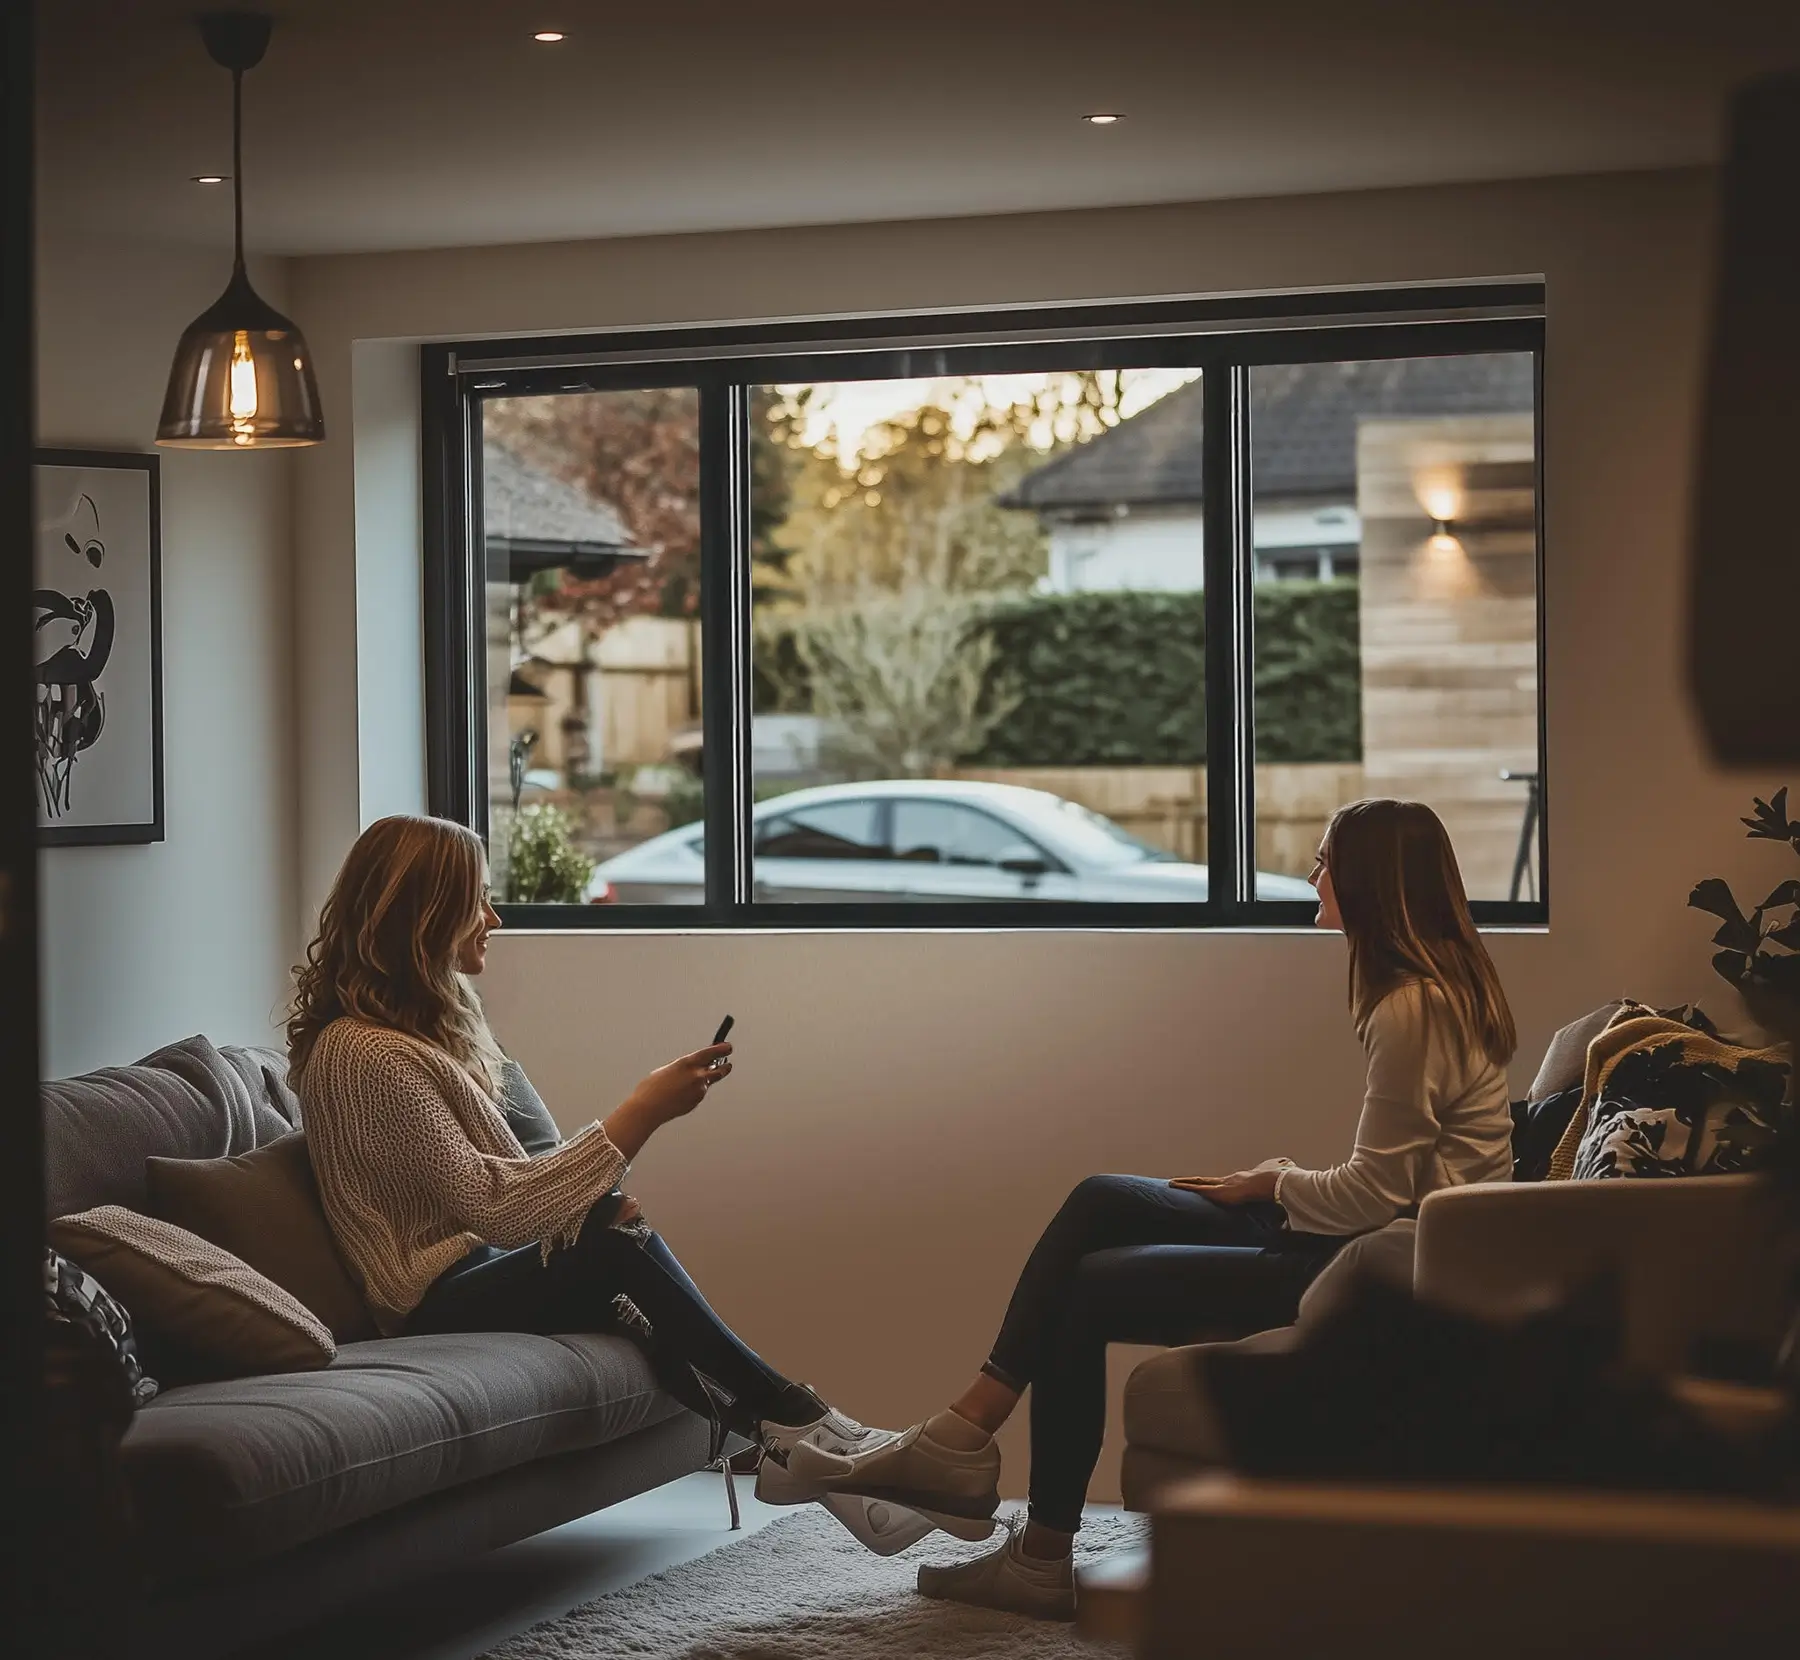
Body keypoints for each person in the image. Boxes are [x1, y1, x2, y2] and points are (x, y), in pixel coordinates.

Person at [793, 798, 1518, 1618]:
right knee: (1102, 1199)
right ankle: (969, 1441)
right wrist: (1274, 1181)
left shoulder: (1410, 1007)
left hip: (1370, 1267)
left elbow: (1375, 1196)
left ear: (1373, 882)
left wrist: (1274, 1183)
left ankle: (1021, 1527)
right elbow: (1388, 1182)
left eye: (1326, 860)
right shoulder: (1438, 991)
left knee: (1091, 1286)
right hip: (1365, 1241)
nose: (1313, 874)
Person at [286, 814, 938, 1555]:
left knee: (616, 1251)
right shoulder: (361, 1054)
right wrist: (642, 1112)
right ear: (424, 914)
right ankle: (810, 1423)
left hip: (476, 1274)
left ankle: (818, 1463)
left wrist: (605, 1175)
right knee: (608, 1235)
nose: (495, 919)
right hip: (430, 1304)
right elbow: (497, 1206)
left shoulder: (424, 1034)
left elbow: (520, 1190)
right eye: (480, 901)